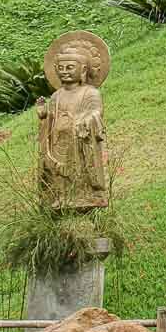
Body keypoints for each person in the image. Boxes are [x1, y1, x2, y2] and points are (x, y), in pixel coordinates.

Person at [36, 39, 108, 210]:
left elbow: (97, 112)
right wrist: (43, 114)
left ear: (83, 69)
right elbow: (51, 118)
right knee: (57, 167)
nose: (64, 72)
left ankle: (84, 195)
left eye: (69, 68)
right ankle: (60, 196)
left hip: (79, 139)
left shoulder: (90, 92)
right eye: (60, 69)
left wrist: (85, 120)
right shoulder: (56, 96)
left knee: (78, 168)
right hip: (58, 140)